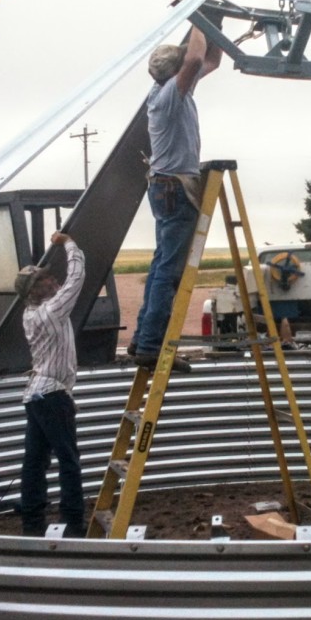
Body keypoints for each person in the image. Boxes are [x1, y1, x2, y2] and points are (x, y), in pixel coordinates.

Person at [128, 23, 222, 372]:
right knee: (169, 270)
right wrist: (199, 19)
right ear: (176, 71)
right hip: (174, 188)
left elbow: (209, 60)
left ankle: (143, 340)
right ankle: (152, 344)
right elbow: (196, 59)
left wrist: (216, 25)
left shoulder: (169, 91)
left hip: (165, 186)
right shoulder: (170, 95)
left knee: (160, 265)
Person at [15, 231, 86, 537]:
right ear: (34, 291)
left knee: (35, 460)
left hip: (37, 396)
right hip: (52, 394)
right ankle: (73, 522)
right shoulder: (52, 311)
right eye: (44, 281)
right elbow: (77, 276)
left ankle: (31, 519)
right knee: (69, 459)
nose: (52, 281)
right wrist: (69, 243)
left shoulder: (30, 314)